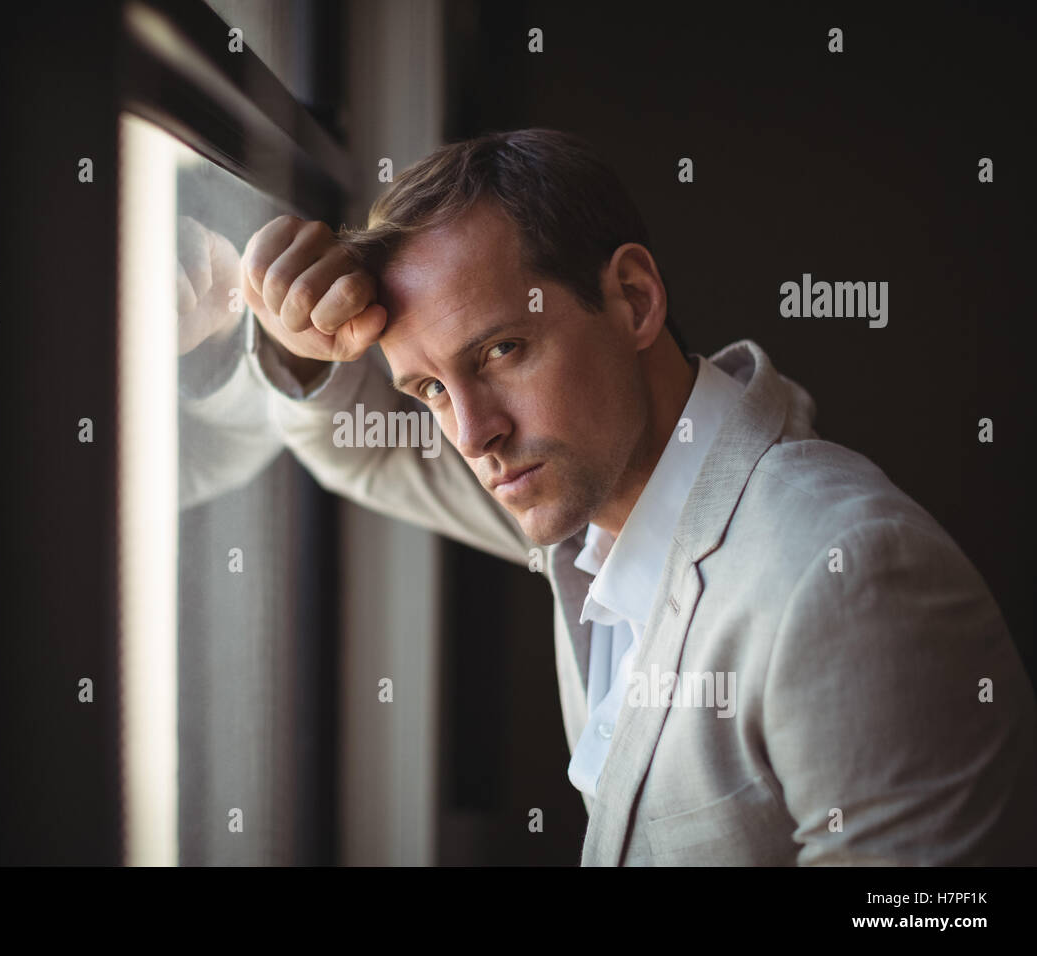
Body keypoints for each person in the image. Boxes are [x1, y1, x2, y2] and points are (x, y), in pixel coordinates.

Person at [178, 128, 1037, 865]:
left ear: (633, 300)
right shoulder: (597, 496)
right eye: (431, 391)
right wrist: (298, 342)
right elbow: (355, 451)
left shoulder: (847, 579)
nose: (473, 434)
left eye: (502, 350)